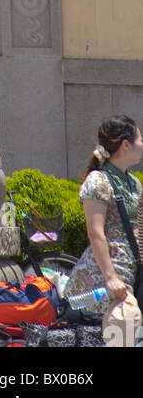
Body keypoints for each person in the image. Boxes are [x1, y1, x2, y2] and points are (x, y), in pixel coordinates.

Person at [64, 113, 143, 345]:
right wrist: (110, 278)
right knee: (116, 336)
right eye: (140, 139)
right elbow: (95, 233)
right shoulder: (98, 181)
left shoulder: (133, 183)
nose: (142, 145)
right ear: (126, 145)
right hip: (102, 282)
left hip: (131, 274)